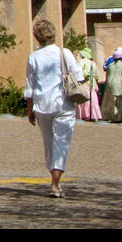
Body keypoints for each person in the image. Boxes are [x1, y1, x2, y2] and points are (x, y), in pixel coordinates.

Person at [25, 19, 82, 198]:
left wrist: (29, 109)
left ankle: (53, 177)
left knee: (49, 142)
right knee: (61, 142)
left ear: (37, 36)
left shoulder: (33, 57)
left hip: (42, 104)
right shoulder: (64, 53)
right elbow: (78, 77)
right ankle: (55, 183)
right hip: (63, 103)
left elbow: (30, 86)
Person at [101, 47, 122, 123]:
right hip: (118, 84)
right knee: (118, 101)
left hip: (109, 84)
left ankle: (107, 116)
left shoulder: (110, 65)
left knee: (109, 101)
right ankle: (117, 118)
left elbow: (107, 75)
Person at [75, 47, 101, 122]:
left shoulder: (80, 62)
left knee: (82, 99)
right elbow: (96, 75)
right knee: (92, 99)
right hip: (91, 83)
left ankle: (82, 115)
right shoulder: (93, 63)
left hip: (82, 83)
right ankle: (94, 115)